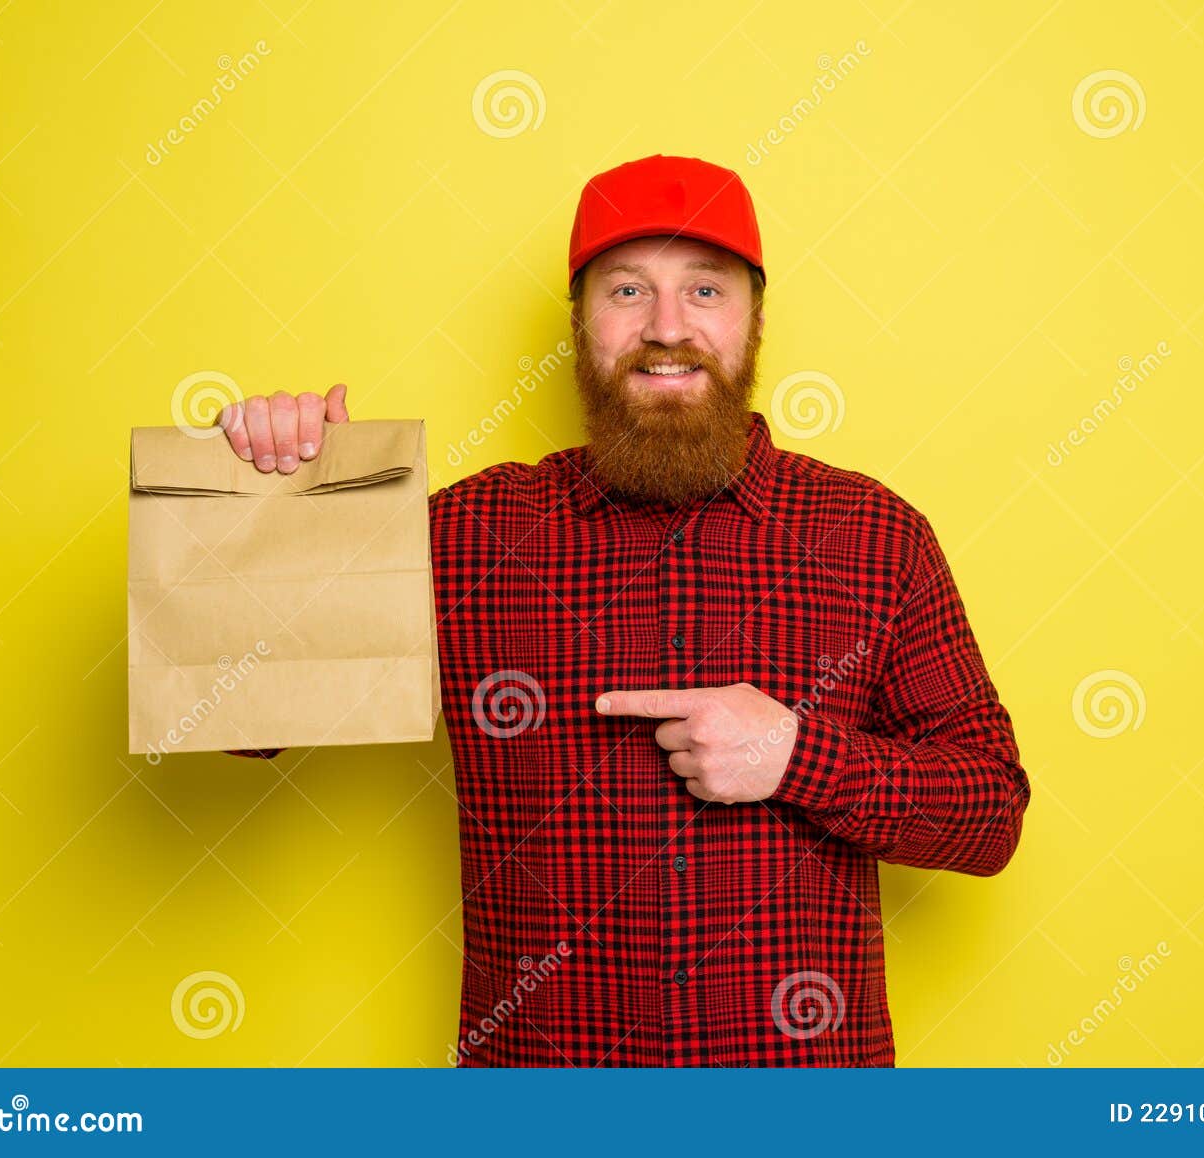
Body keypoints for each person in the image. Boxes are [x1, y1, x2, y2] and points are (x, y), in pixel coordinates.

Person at [217, 154, 1031, 1066]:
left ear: (756, 321)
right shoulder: (468, 535)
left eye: (706, 290)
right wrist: (277, 501)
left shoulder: (874, 536)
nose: (667, 327)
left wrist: (803, 758)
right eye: (629, 289)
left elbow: (992, 814)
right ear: (580, 324)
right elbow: (234, 719)